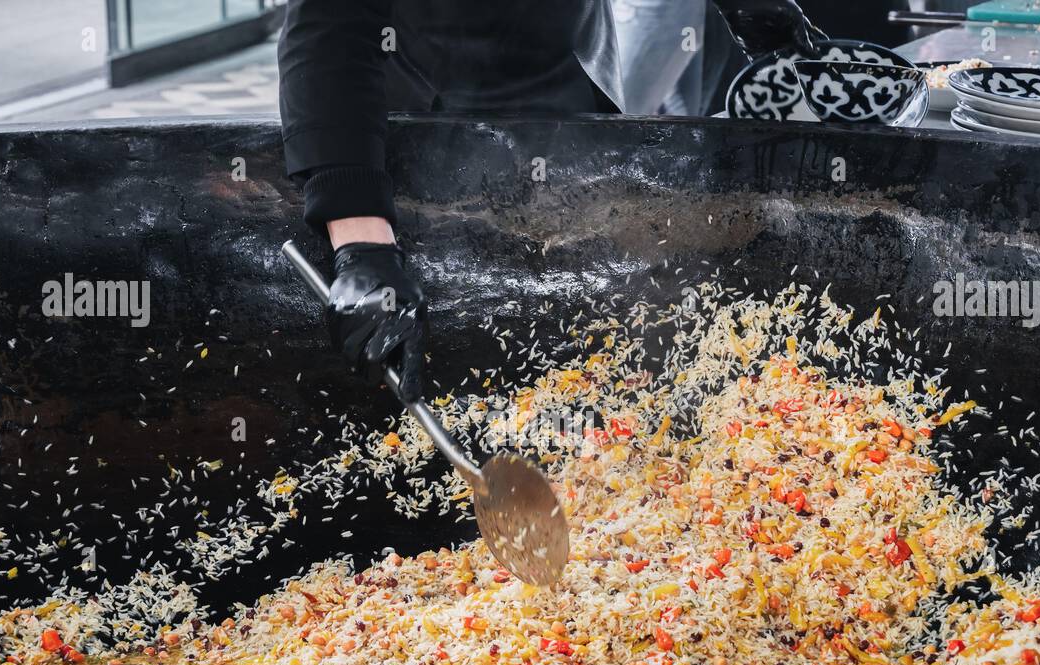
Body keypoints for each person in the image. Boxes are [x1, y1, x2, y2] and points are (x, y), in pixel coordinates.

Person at [278, 0, 820, 402]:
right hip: (430, 127)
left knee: (603, 350)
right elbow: (329, 27)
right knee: (457, 358)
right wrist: (362, 245)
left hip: (573, 85)